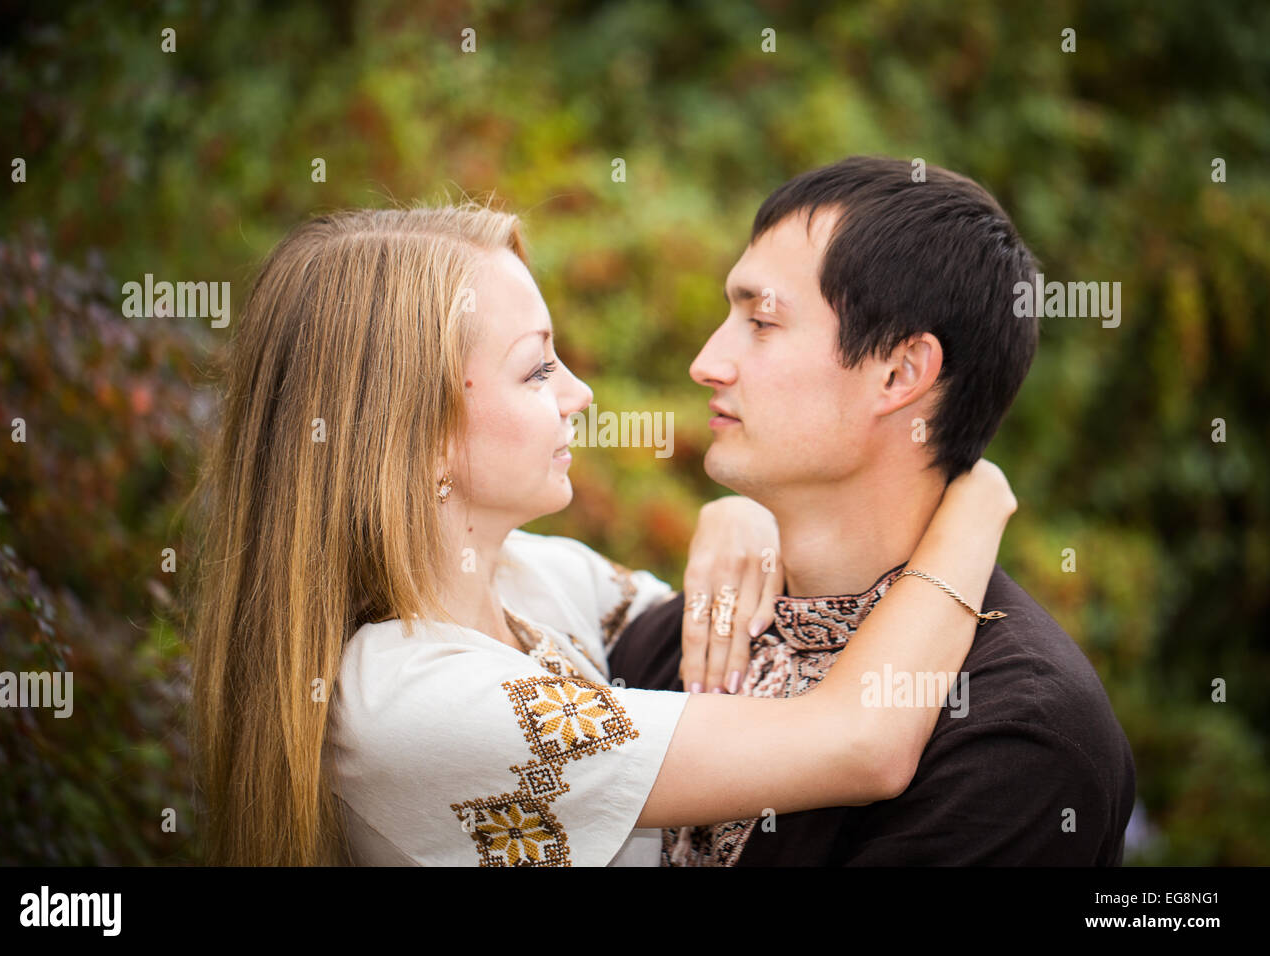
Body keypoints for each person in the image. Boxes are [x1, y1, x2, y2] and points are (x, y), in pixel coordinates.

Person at [188, 203, 1015, 867]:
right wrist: (975, 503)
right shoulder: (405, 706)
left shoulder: (532, 579)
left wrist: (750, 513)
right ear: (423, 435)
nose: (578, 394)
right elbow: (860, 742)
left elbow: (713, 628)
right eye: (536, 369)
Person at [609, 156, 1137, 866]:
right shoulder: (682, 637)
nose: (707, 362)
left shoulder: (1018, 734)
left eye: (761, 321)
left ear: (899, 373)